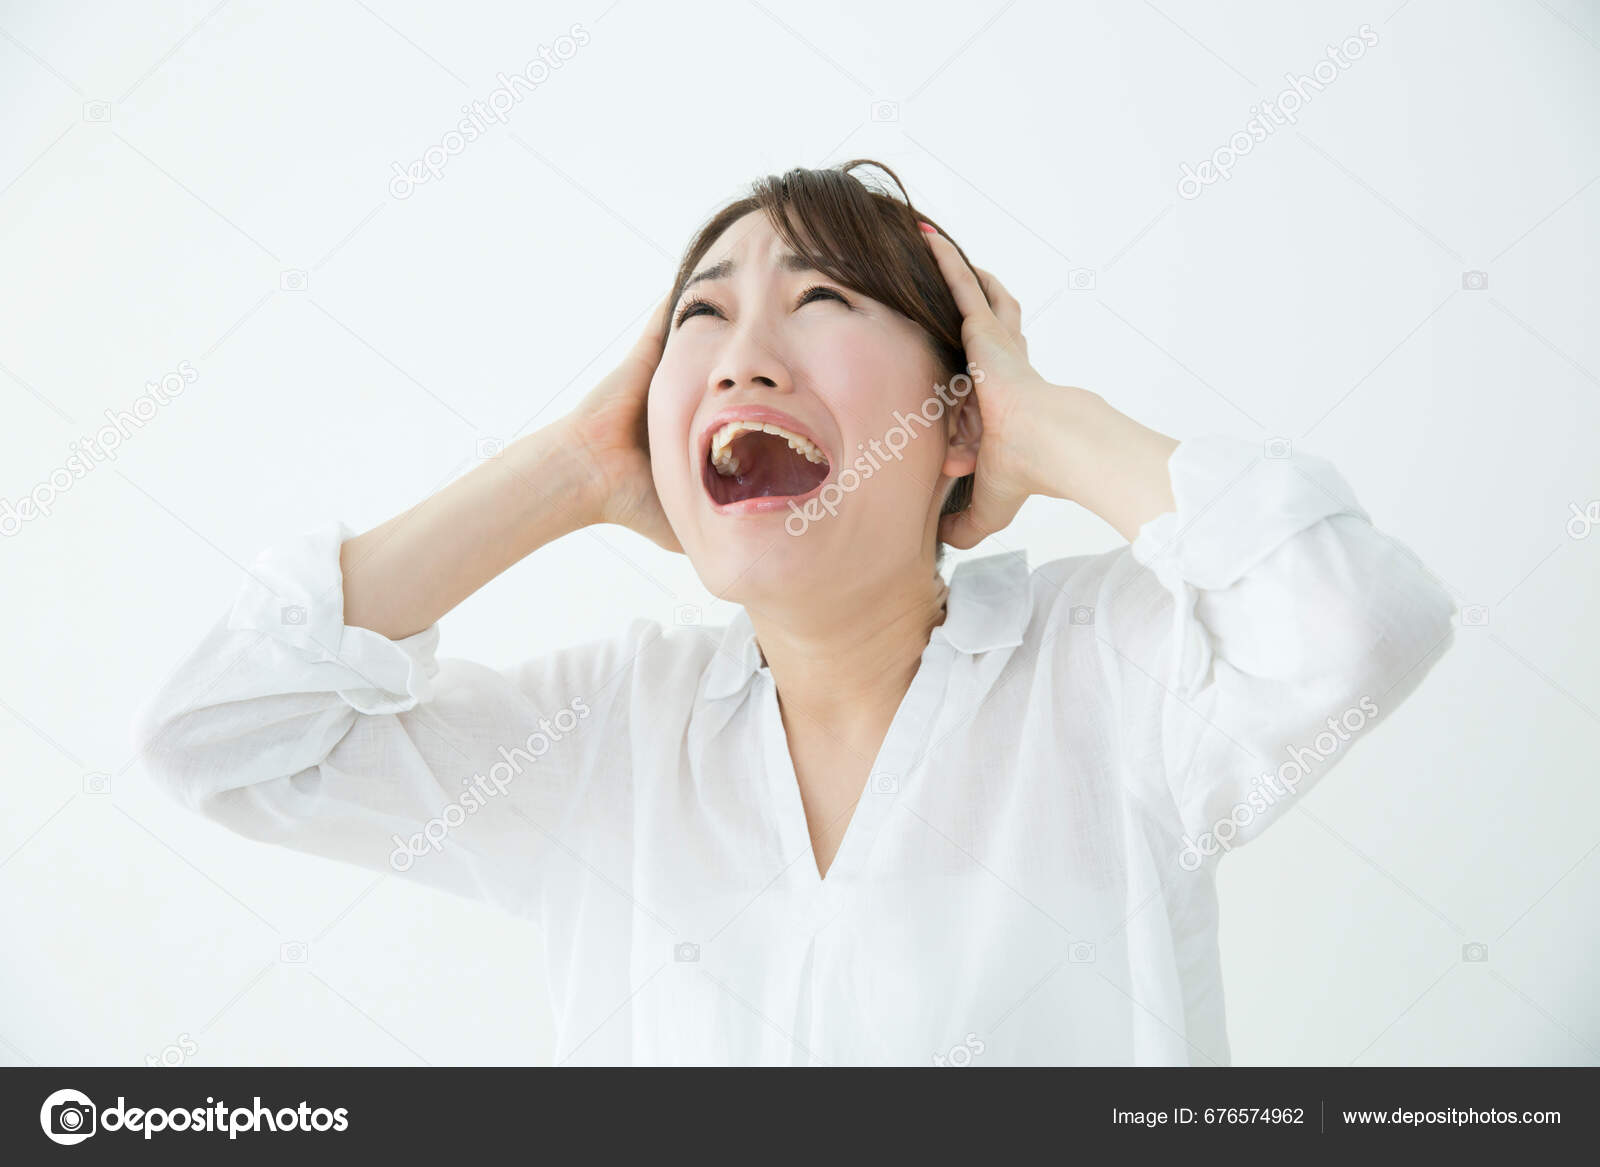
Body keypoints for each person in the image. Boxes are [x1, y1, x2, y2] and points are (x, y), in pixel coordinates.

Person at [133, 160, 1457, 1065]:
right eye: (699, 320)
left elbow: (1356, 624)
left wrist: (1045, 423)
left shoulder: (1110, 675)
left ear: (957, 421)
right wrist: (571, 470)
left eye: (822, 300)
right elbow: (222, 737)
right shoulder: (606, 741)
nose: (743, 353)